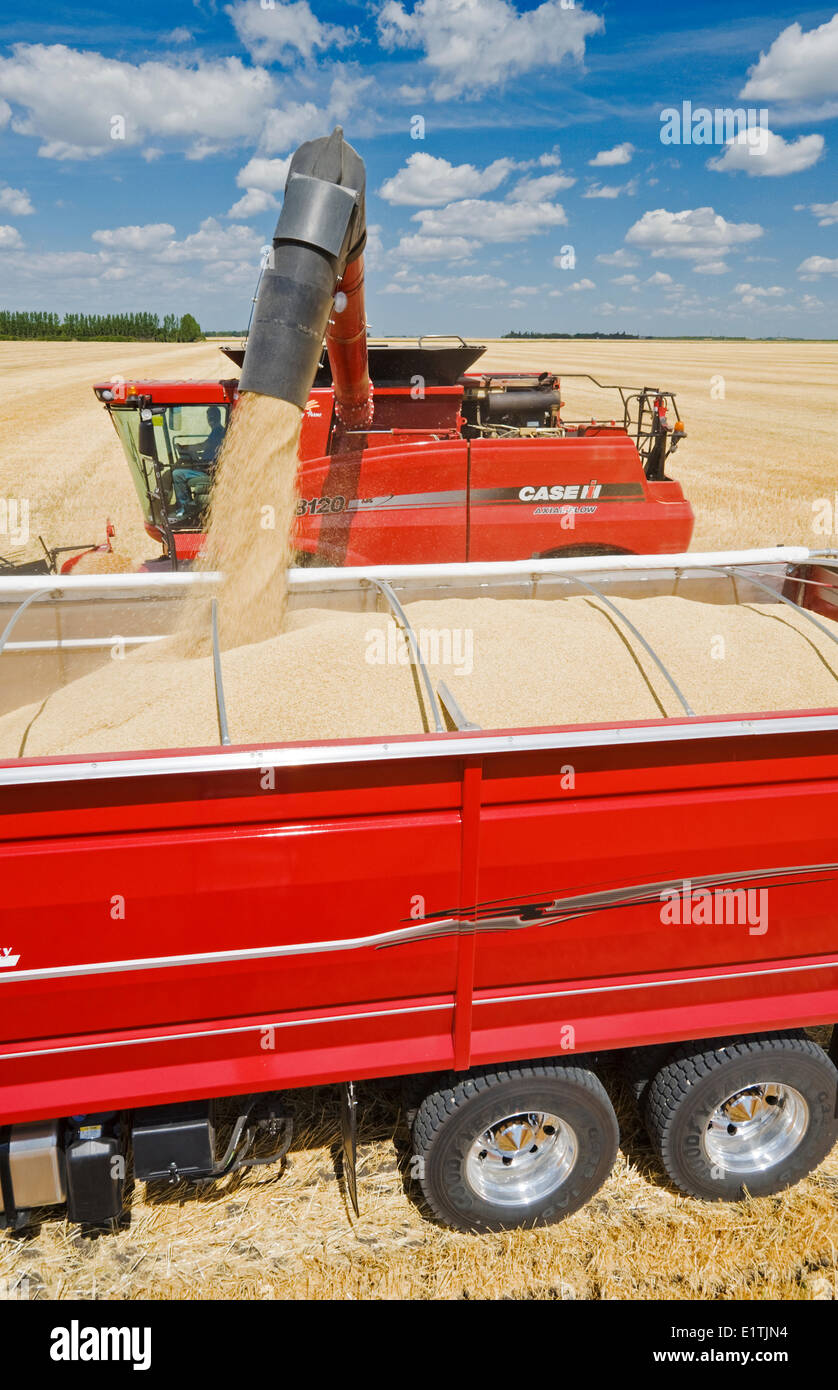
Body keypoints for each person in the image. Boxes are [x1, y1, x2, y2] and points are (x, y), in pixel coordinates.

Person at [169, 406, 226, 523]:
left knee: (177, 474)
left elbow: (204, 446)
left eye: (213, 416)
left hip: (209, 471)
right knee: (180, 467)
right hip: (206, 467)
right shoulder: (217, 431)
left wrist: (186, 448)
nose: (210, 419)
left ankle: (186, 509)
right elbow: (206, 446)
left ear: (218, 417)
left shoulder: (218, 431)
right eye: (209, 416)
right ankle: (188, 505)